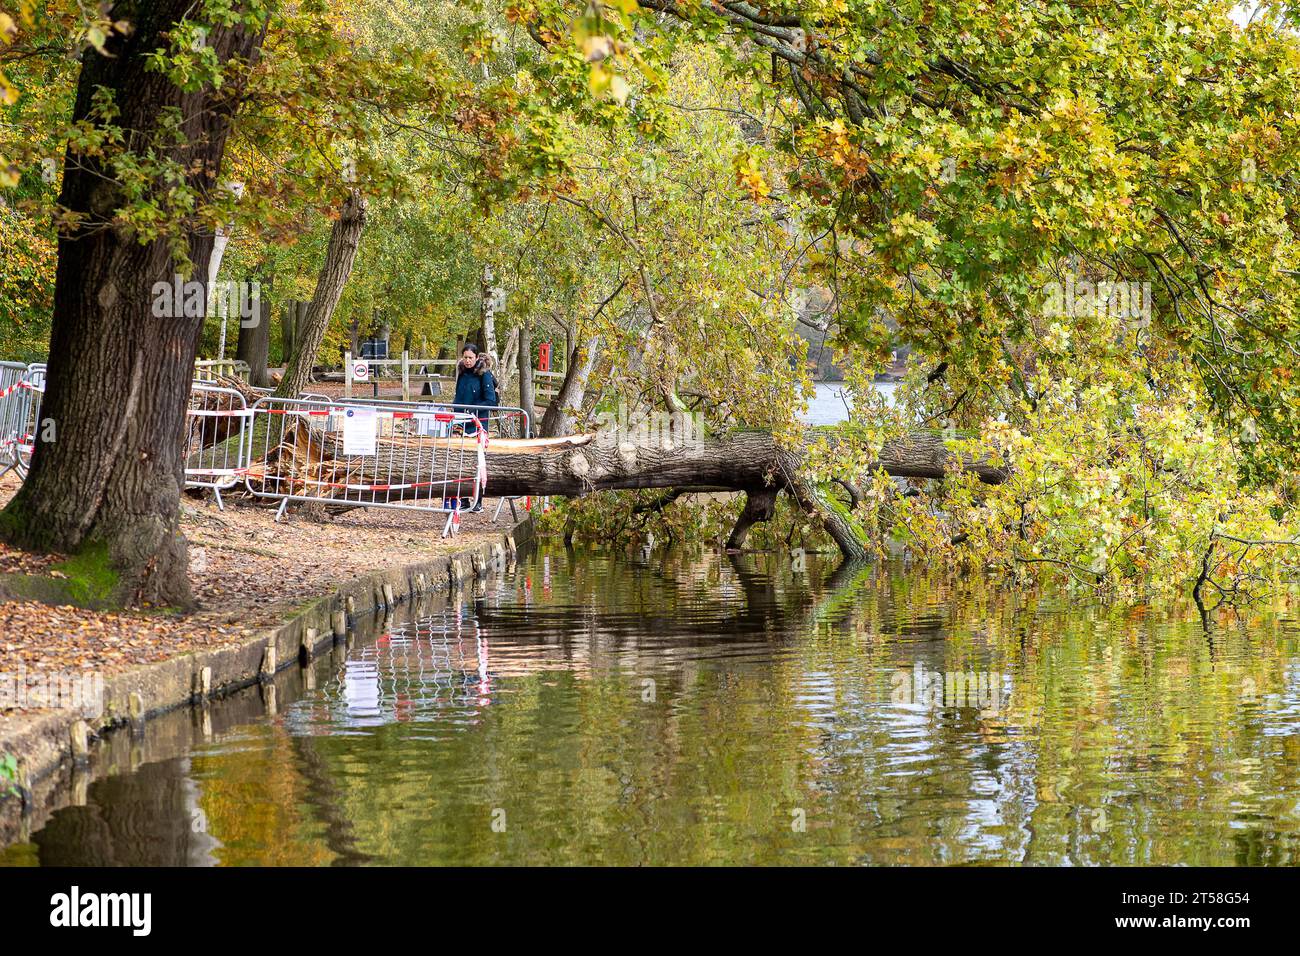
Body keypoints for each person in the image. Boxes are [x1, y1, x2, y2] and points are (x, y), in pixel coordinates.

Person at [452, 344, 498, 511]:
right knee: (461, 462)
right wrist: (455, 416)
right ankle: (463, 499)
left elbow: (491, 401)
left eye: (471, 357)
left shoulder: (484, 375)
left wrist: (472, 410)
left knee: (477, 463)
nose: (468, 361)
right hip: (461, 423)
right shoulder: (462, 374)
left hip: (478, 425)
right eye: (465, 357)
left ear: (477, 357)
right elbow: (458, 397)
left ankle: (478, 501)